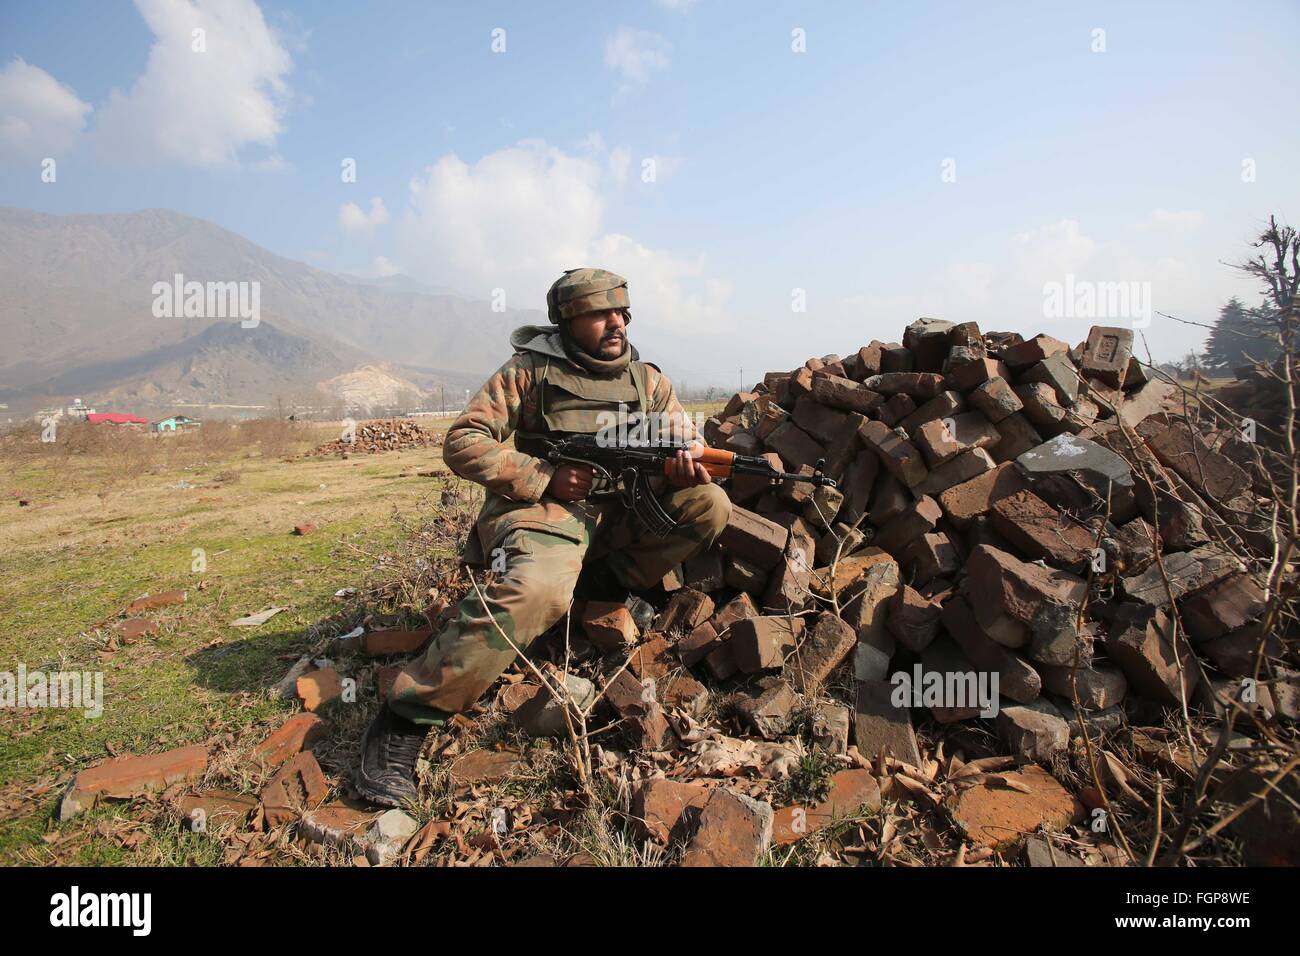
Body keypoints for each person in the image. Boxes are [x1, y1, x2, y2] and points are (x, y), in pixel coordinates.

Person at [355, 267, 732, 807]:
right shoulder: (530, 371)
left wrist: (682, 463)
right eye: (599, 313)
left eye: (621, 311)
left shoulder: (648, 382)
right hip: (546, 509)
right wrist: (542, 475)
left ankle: (596, 591)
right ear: (567, 320)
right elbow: (463, 441)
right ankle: (406, 718)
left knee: (710, 504)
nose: (616, 323)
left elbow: (682, 438)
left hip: (619, 508)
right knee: (535, 591)